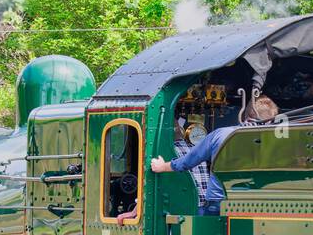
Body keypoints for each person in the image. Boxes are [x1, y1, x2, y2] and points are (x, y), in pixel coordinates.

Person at [115, 94, 278, 222]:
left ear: (245, 115)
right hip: (256, 202)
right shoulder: (277, 142)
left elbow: (187, 162)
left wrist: (161, 166)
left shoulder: (221, 135)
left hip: (219, 203)